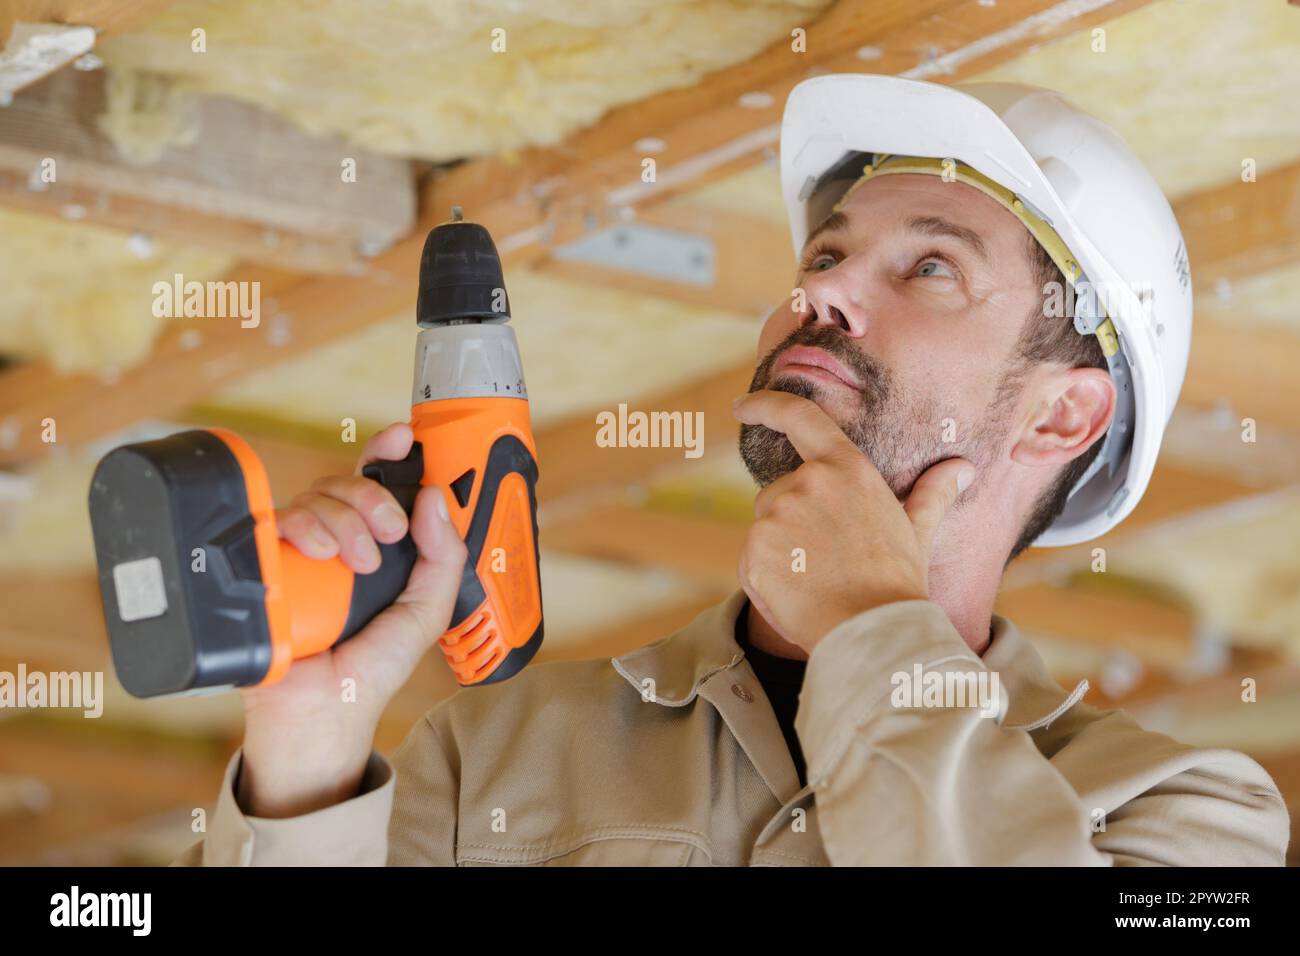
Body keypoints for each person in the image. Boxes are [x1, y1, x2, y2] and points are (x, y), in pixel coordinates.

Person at [176, 75, 1288, 866]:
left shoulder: (1181, 813)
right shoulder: (495, 752)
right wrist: (306, 763)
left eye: (932, 264)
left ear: (1062, 414)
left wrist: (871, 629)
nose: (824, 294)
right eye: (824, 253)